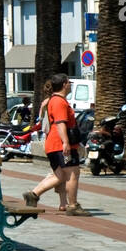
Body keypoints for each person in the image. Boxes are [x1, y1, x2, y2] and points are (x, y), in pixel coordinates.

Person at [24, 73, 85, 216]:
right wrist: (65, 143)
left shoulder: (55, 101)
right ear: (64, 84)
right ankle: (73, 205)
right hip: (59, 144)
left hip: (53, 145)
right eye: (69, 82)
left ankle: (33, 194)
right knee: (72, 173)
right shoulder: (59, 102)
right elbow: (60, 123)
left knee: (59, 176)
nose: (70, 84)